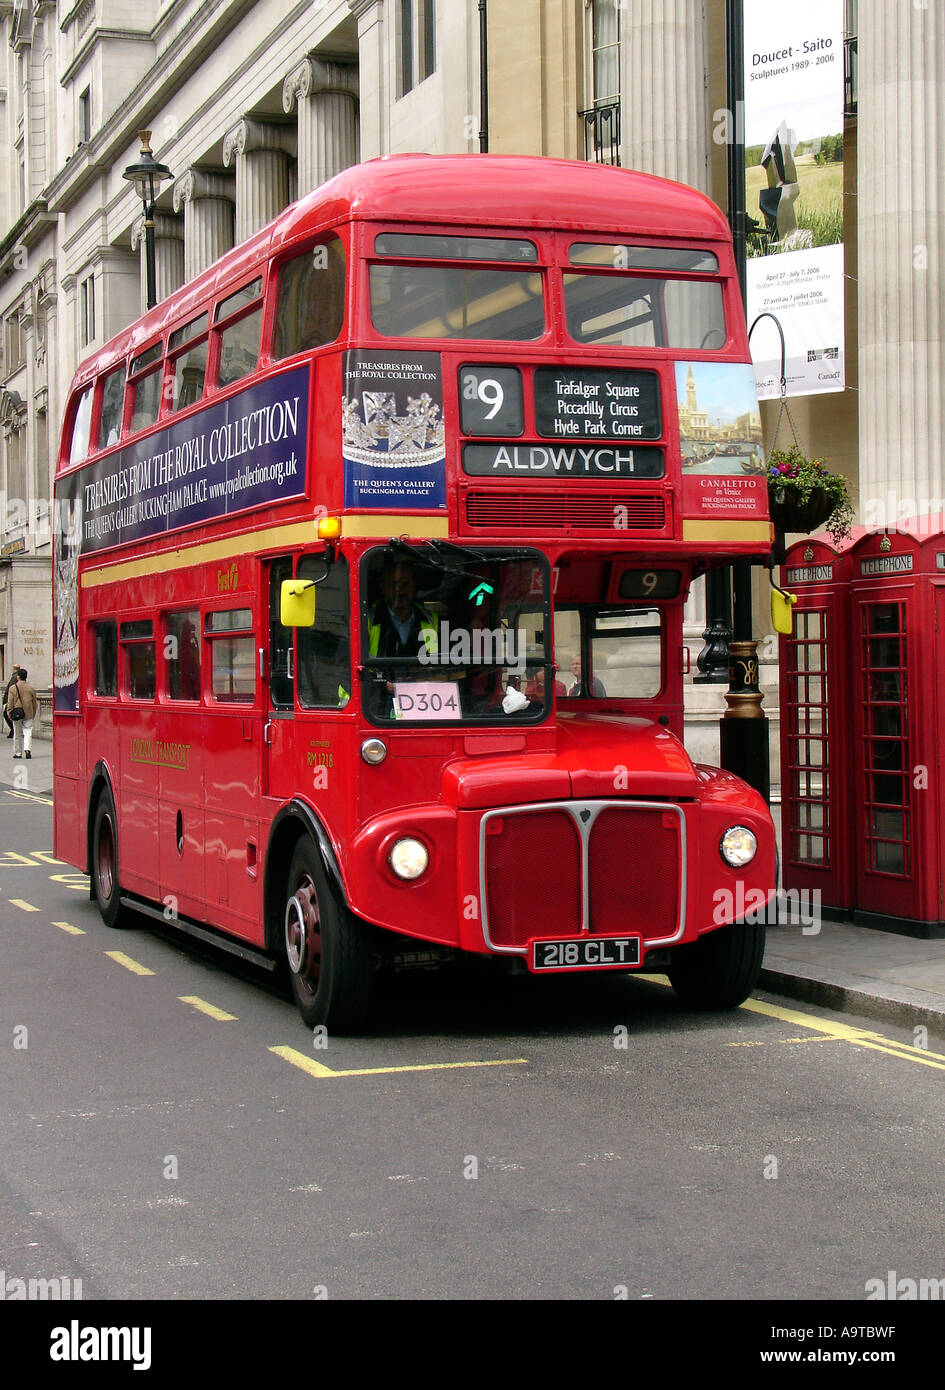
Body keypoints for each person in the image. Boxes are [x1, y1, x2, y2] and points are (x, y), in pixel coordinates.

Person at [367, 557, 438, 713]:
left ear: (413, 586)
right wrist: (382, 684)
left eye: (405, 584)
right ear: (382, 587)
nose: (400, 591)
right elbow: (351, 666)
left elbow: (438, 663)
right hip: (372, 705)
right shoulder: (367, 619)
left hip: (421, 702)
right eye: (394, 585)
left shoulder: (431, 620)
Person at [8, 667, 37, 759]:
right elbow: (34, 703)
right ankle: (27, 749)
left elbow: (10, 702)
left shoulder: (13, 688)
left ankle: (18, 753)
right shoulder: (31, 688)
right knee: (28, 732)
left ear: (18, 677)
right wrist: (33, 714)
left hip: (17, 713)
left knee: (17, 734)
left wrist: (9, 712)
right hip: (28, 713)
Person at [3, 667, 22, 738]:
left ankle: (14, 730)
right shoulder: (15, 677)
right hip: (16, 701)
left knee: (7, 714)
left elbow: (10, 690)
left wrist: (6, 700)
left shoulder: (14, 677)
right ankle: (14, 730)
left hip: (14, 701)